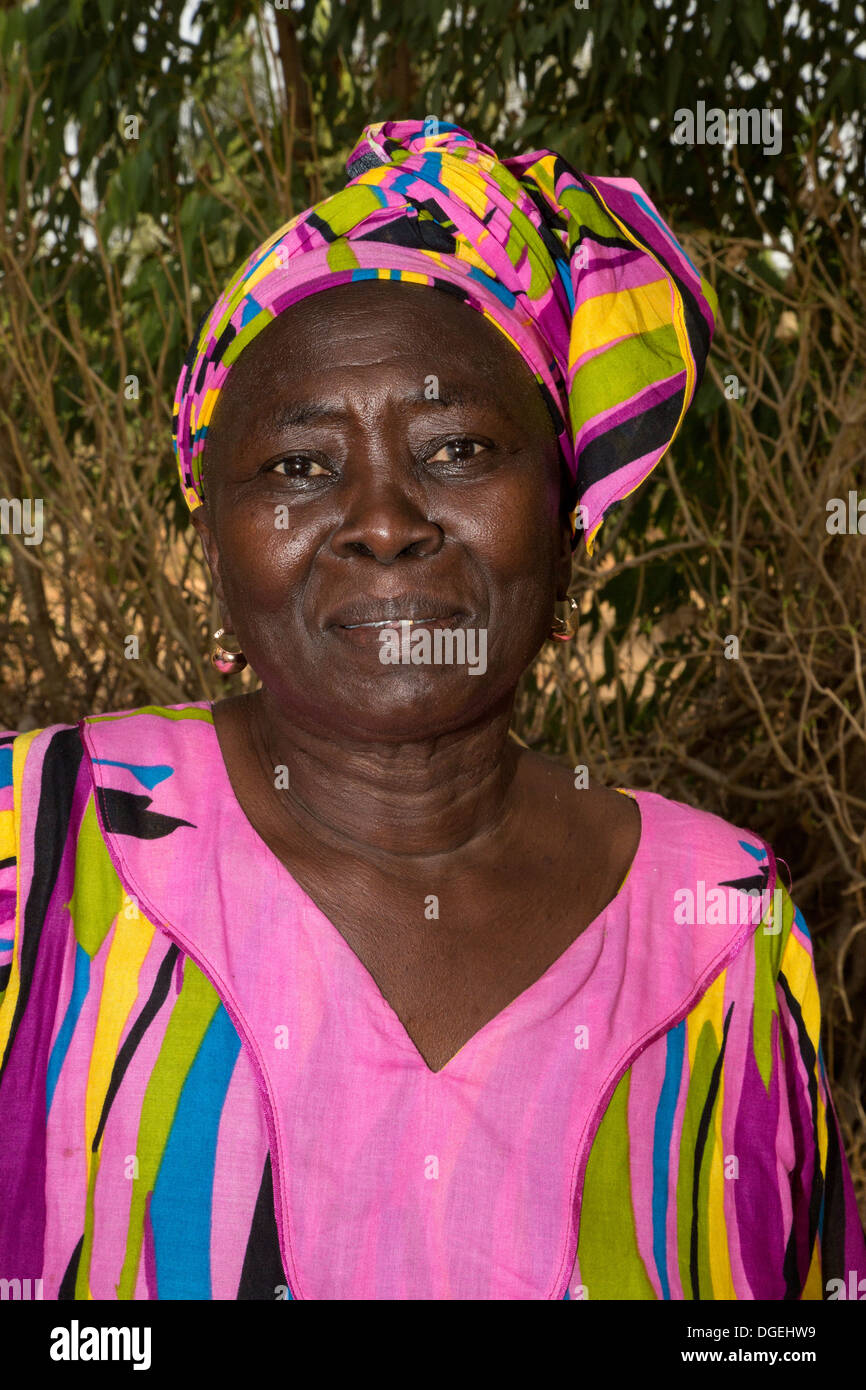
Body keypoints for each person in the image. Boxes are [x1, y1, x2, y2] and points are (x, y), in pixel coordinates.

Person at [0, 118, 863, 1301]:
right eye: (299, 465)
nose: (384, 517)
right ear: (212, 543)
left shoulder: (722, 926)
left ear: (564, 520)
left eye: (455, 446)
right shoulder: (34, 853)